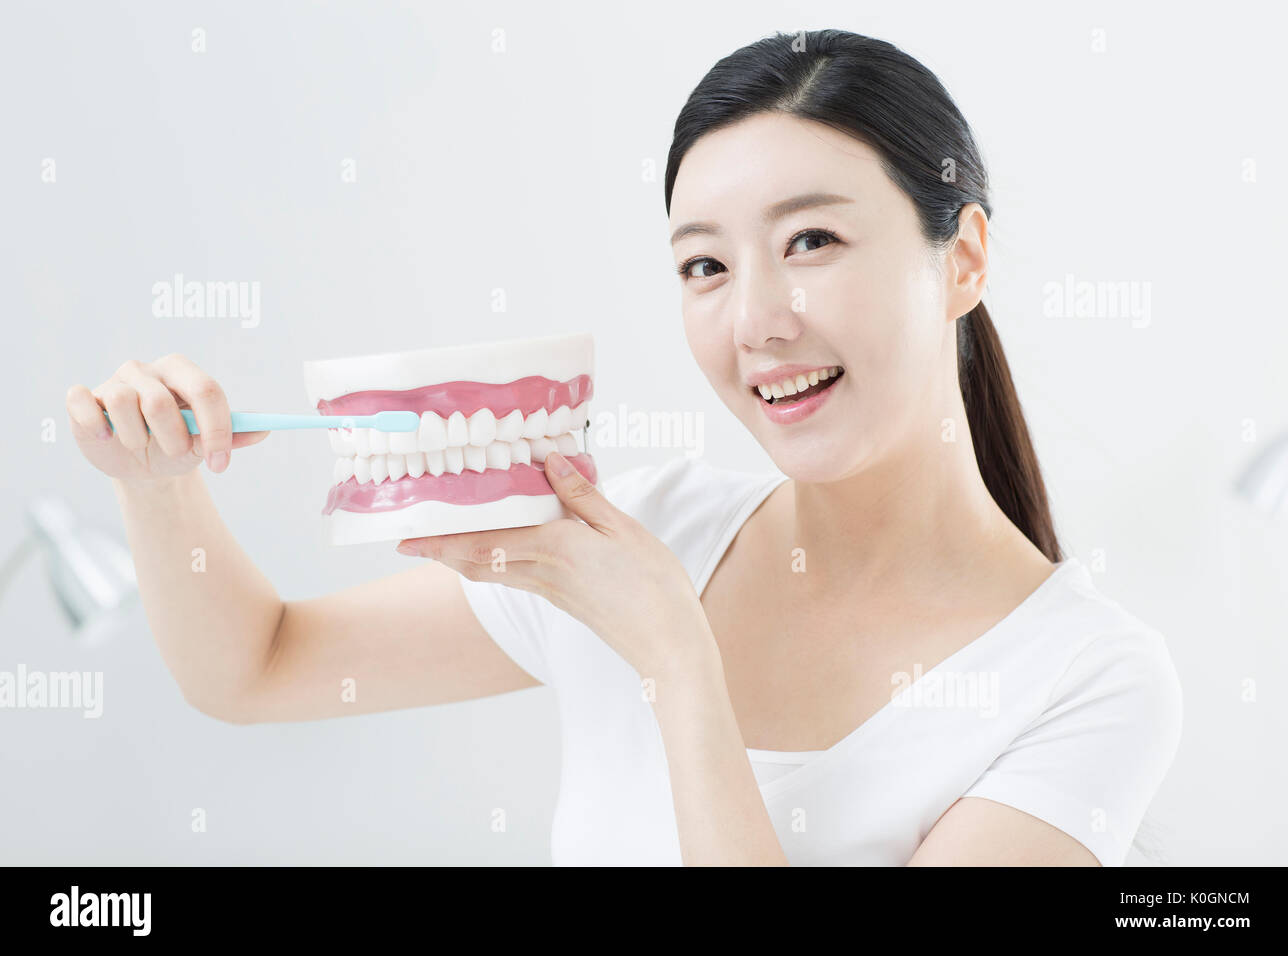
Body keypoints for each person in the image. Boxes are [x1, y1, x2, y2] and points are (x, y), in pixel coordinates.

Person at [64, 29, 1182, 866]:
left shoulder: (1086, 679)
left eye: (812, 239)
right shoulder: (644, 528)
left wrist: (673, 656)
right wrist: (158, 486)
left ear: (962, 259)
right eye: (705, 264)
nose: (756, 319)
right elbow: (256, 665)